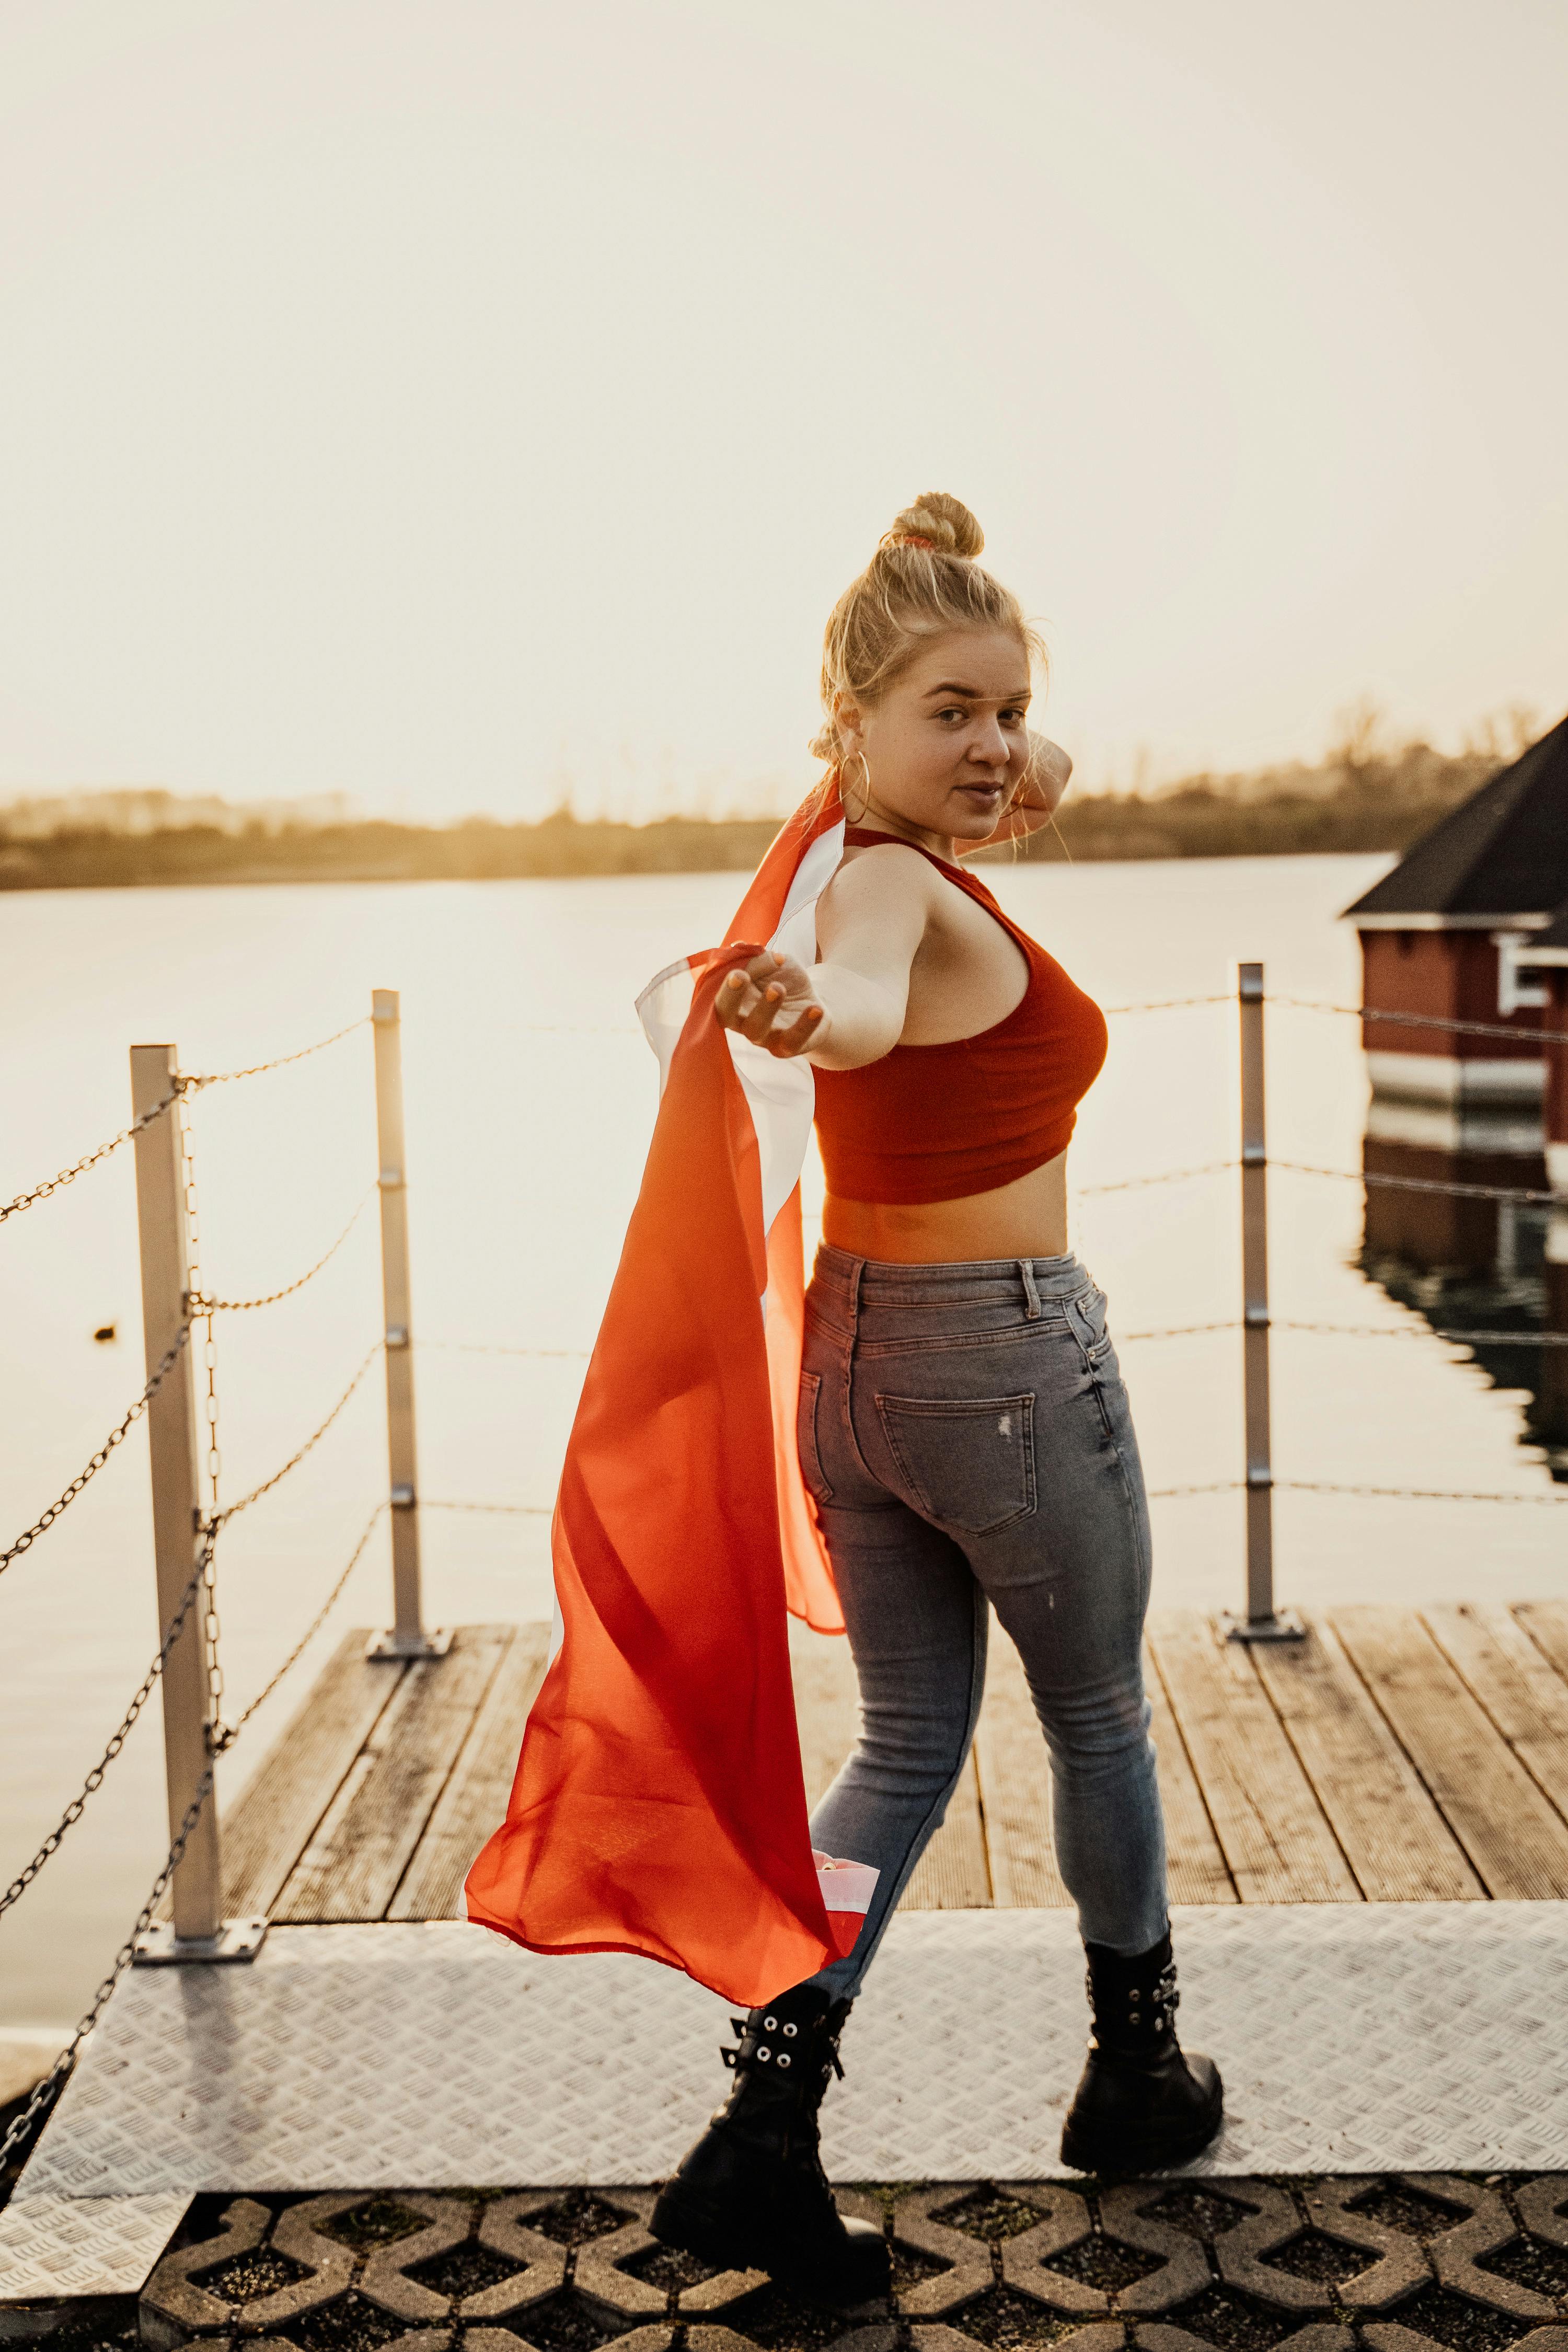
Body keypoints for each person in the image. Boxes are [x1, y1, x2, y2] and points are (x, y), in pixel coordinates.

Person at [650, 494, 1221, 2301]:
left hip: (855, 1357)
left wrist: (982, 689)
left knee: (905, 1745)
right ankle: (1135, 2080)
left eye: (1007, 707)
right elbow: (869, 1008)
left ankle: (762, 2133)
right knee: (1100, 1721)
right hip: (1006, 1353)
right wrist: (807, 1019)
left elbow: (1000, 759)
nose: (993, 748)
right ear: (848, 730)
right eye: (948, 714)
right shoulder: (881, 893)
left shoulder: (856, 836)